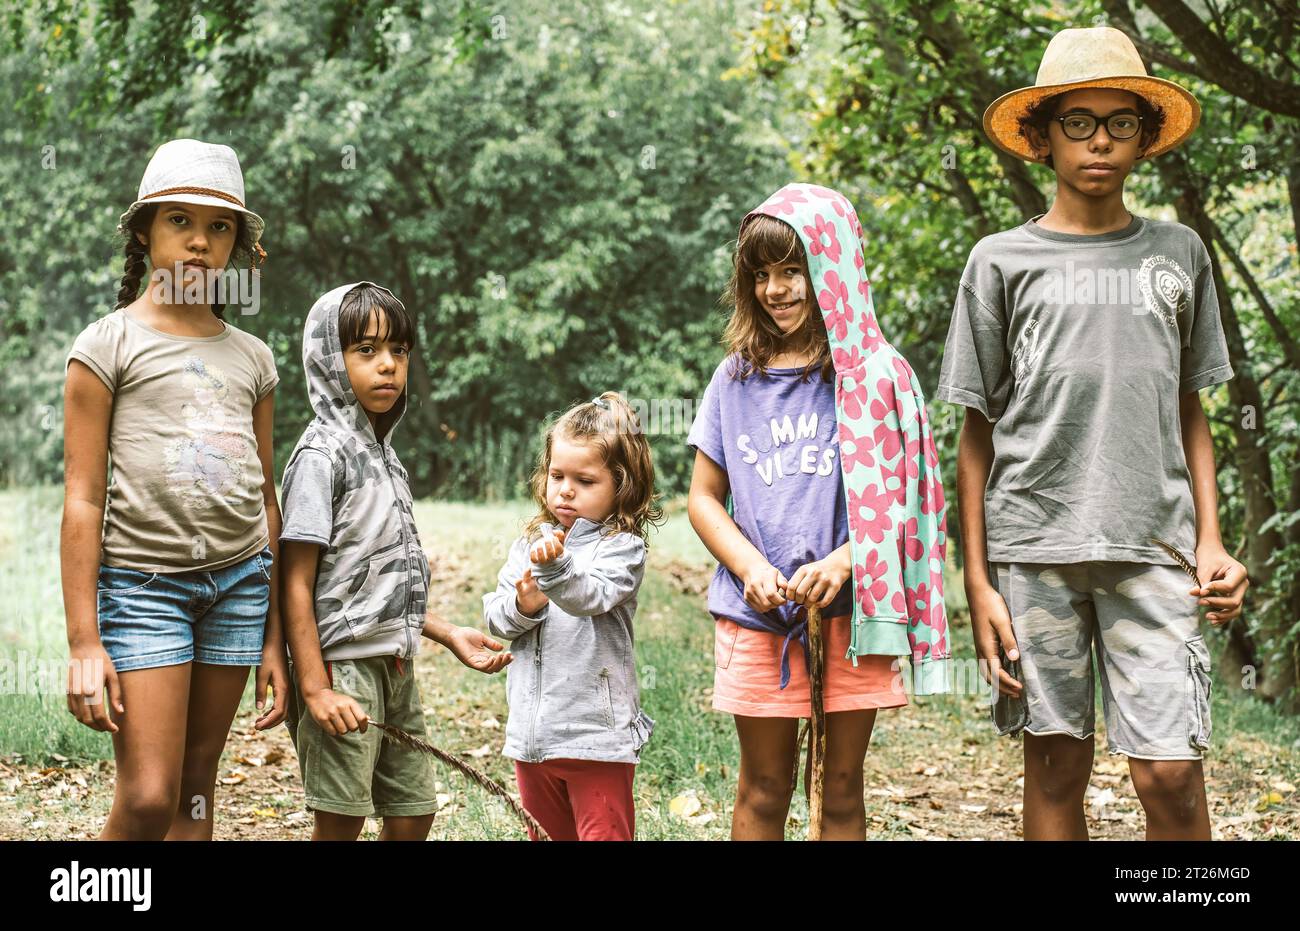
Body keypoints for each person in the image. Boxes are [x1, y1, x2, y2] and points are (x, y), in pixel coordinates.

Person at [940, 25, 1248, 840]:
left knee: (1172, 775)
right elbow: (976, 434)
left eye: (1120, 121)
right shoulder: (1000, 262)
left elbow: (1191, 408)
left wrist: (1212, 540)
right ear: (1042, 138)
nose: (1101, 140)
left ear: (1145, 136)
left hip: (1157, 547)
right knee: (1054, 766)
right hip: (1033, 547)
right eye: (1079, 121)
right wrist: (978, 582)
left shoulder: (1177, 253)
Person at [686, 182, 952, 840]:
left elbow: (906, 500)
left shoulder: (874, 377)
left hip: (850, 620)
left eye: (793, 270)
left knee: (839, 785)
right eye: (762, 275)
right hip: (757, 616)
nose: (776, 289)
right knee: (764, 785)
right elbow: (701, 497)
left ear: (831, 267)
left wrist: (845, 561)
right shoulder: (736, 378)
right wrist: (748, 566)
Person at [62, 138, 288, 839]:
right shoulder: (106, 346)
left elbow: (266, 498)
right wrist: (83, 645)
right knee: (150, 796)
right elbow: (82, 500)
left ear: (238, 245)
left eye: (219, 226)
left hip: (239, 586)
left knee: (196, 787)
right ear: (143, 230)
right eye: (179, 221)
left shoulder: (252, 358)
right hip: (143, 587)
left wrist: (273, 637)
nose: (199, 241)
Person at [278, 281, 510, 841]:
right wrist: (314, 687)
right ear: (329, 361)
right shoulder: (320, 456)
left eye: (398, 352)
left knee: (412, 813)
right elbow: (294, 582)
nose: (388, 366)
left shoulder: (385, 456)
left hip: (394, 664)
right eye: (366, 351)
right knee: (343, 816)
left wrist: (447, 632)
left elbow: (374, 581)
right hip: (341, 666)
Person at [483, 392, 662, 840]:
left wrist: (553, 569)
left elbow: (590, 595)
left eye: (585, 480)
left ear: (621, 486)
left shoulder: (622, 548)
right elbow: (497, 618)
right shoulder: (530, 543)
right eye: (557, 475)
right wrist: (523, 607)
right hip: (534, 738)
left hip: (596, 740)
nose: (565, 489)